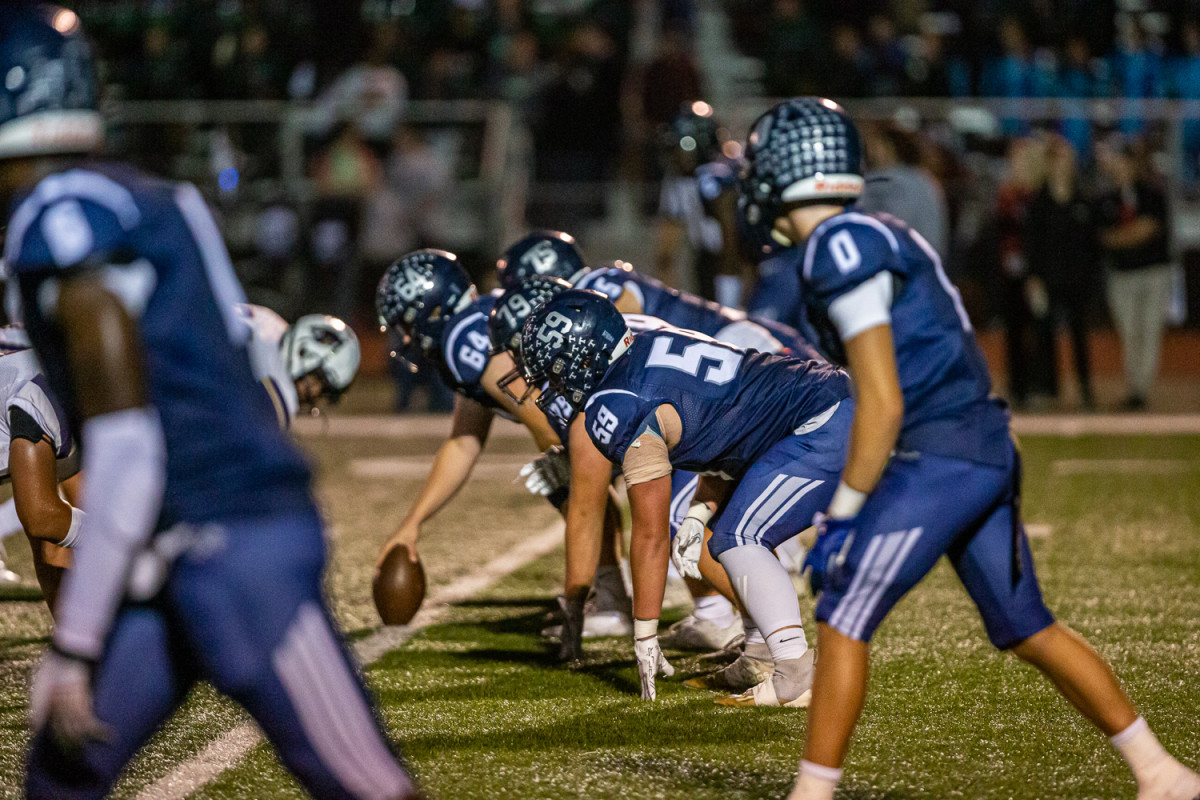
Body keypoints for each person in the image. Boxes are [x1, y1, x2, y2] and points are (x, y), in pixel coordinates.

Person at [0, 7, 420, 798]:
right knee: (60, 774)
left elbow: (128, 446)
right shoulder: (147, 195)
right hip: (171, 546)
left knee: (368, 787)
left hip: (235, 545)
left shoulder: (61, 220)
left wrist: (76, 640)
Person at [737, 96, 1200, 800]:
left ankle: (812, 794)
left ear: (782, 170)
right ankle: (1162, 774)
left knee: (842, 614)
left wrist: (844, 512)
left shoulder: (839, 245)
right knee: (1026, 627)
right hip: (982, 443)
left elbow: (883, 399)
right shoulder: (876, 231)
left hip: (939, 453)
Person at [519, 289, 853, 706]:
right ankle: (760, 653)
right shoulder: (644, 347)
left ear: (586, 358)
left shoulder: (619, 403)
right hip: (818, 403)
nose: (553, 386)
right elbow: (726, 432)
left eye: (557, 371)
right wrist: (698, 511)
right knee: (723, 533)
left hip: (822, 419)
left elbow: (650, 534)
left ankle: (797, 672)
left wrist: (645, 633)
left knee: (739, 538)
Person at [373, 251, 634, 644]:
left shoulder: (462, 339)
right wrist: (412, 524)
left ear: (432, 309)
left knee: (570, 480)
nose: (407, 338)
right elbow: (463, 442)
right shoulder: (474, 322)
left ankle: (617, 600)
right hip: (610, 398)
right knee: (567, 478)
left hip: (612, 407)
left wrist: (561, 454)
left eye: (408, 323)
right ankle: (612, 592)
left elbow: (540, 415)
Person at [497, 230, 814, 357]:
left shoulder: (598, 284)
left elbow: (618, 336)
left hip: (747, 346)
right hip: (734, 350)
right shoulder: (592, 286)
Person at [1096, 139, 1173, 411]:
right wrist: (1130, 235)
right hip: (1122, 275)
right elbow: (1101, 236)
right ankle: (1134, 389)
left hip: (1153, 272)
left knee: (1150, 330)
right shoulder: (1106, 199)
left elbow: (1148, 229)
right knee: (1129, 332)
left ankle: (1141, 391)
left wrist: (1120, 237)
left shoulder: (1152, 194)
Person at [1024, 135, 1099, 410]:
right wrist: (1033, 277)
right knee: (1045, 334)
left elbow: (1091, 243)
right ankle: (1048, 389)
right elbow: (1032, 243)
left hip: (1077, 279)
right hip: (1048, 279)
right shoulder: (1039, 201)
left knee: (1079, 335)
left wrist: (1091, 276)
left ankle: (1085, 389)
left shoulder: (1083, 199)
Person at [237, 305, 362, 429]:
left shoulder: (269, 319)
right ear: (304, 352)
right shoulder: (284, 393)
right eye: (319, 381)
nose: (315, 392)